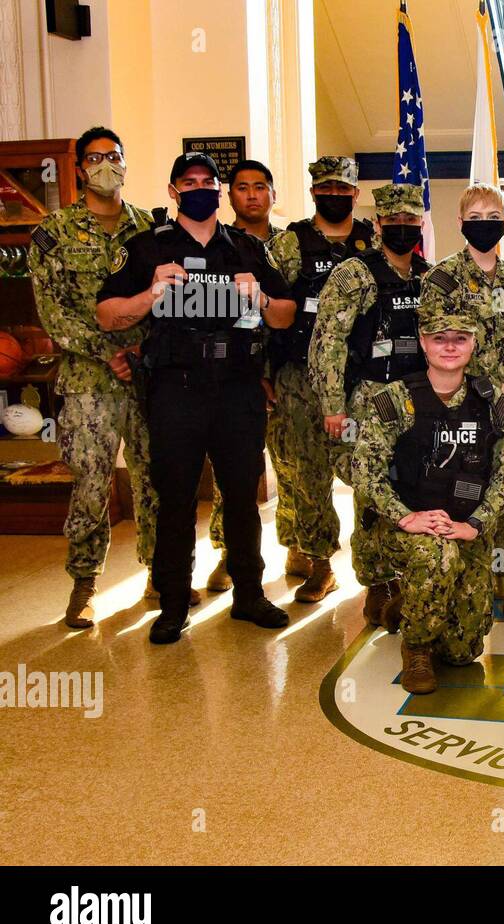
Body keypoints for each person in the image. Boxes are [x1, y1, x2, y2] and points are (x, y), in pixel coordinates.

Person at [96, 151, 295, 644]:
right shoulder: (148, 249)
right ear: (173, 191)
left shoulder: (246, 248)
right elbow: (107, 314)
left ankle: (249, 593)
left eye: (209, 181)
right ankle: (172, 602)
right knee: (176, 500)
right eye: (190, 182)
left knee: (243, 500)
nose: (200, 188)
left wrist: (262, 298)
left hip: (237, 388)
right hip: (176, 388)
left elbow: (287, 314)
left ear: (220, 189)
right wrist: (151, 295)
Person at [28, 126, 197, 627]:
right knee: (90, 481)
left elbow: (173, 301)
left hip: (148, 376)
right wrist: (108, 351)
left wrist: (139, 348)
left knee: (156, 480)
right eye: (96, 157)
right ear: (80, 168)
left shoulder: (152, 228)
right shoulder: (54, 232)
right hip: (88, 381)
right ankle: (84, 583)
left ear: (126, 163)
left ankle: (159, 574)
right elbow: (52, 313)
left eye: (115, 156)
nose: (106, 165)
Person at [350, 312, 504, 694]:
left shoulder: (493, 402)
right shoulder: (394, 400)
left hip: (466, 526)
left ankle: (412, 605)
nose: (449, 346)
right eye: (439, 338)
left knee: (464, 651)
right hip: (408, 529)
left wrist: (475, 523)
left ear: (473, 345)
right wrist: (405, 517)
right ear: (424, 343)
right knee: (437, 556)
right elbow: (364, 472)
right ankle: (417, 648)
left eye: (460, 339)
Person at [419, 183, 504, 626]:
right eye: (476, 217)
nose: (485, 224)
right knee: (464, 495)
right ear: (460, 224)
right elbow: (439, 344)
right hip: (463, 411)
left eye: (494, 216)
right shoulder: (441, 281)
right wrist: (488, 392)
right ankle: (464, 588)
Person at [309, 182, 429, 626]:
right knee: (371, 494)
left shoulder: (427, 275)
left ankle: (404, 575)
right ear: (378, 224)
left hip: (417, 399)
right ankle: (376, 584)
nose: (401, 228)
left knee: (411, 487)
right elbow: (327, 342)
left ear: (420, 224)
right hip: (369, 401)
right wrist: (332, 405)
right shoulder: (353, 275)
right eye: (393, 221)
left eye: (410, 221)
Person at [259, 157, 376, 603]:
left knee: (367, 474)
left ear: (355, 194)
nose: (335, 196)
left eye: (343, 189)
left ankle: (378, 567)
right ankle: (320, 562)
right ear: (313, 193)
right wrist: (264, 374)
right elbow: (268, 316)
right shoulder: (290, 245)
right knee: (306, 475)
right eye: (326, 189)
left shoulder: (373, 240)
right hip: (299, 381)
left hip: (360, 380)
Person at [207, 157, 283, 592]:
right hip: (235, 376)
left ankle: (301, 550)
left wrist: (273, 371)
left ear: (273, 194)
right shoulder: (215, 245)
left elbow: (291, 312)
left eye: (260, 186)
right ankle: (228, 554)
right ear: (229, 194)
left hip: (284, 374)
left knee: (290, 469)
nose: (252, 194)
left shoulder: (290, 246)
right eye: (242, 187)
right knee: (232, 475)